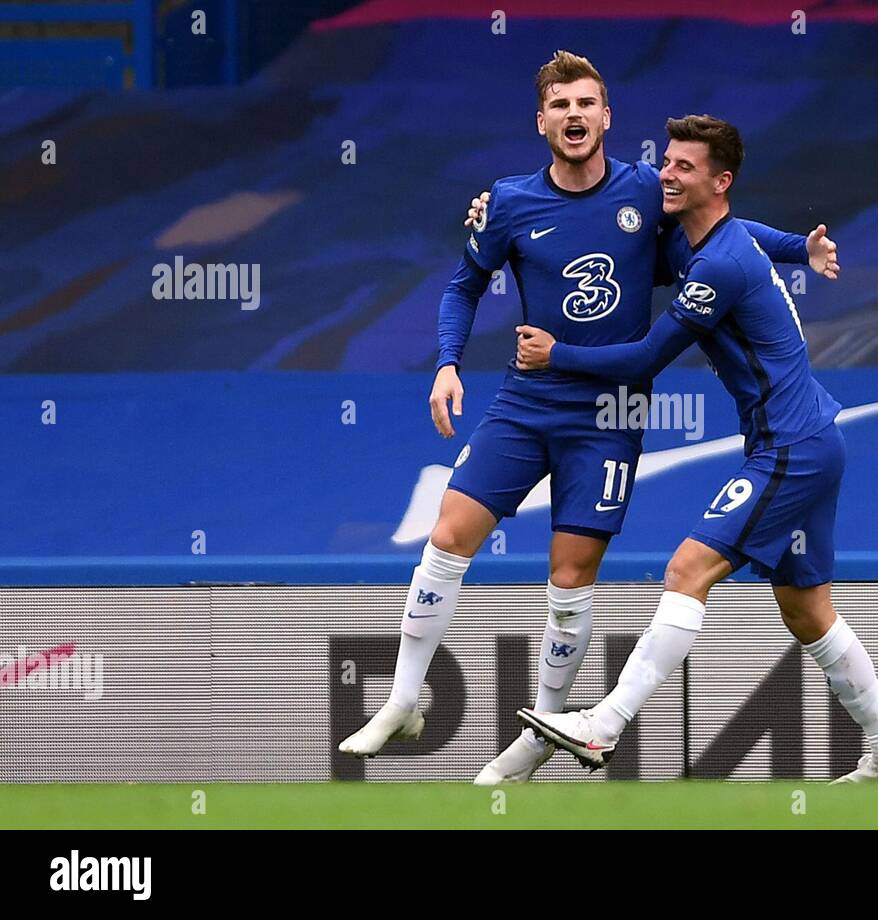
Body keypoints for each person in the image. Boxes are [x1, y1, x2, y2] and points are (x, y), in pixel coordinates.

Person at [337, 52, 838, 786]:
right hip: (526, 400)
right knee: (448, 533)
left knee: (570, 576)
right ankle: (404, 700)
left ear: (607, 118)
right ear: (541, 121)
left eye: (587, 103)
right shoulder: (507, 202)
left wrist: (799, 248)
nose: (574, 115)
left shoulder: (645, 192)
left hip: (608, 413)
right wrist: (447, 363)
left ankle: (540, 737)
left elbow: (718, 227)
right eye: (560, 105)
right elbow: (463, 285)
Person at [515, 115, 878, 783]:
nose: (666, 174)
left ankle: (605, 726)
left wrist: (558, 353)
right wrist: (801, 248)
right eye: (667, 162)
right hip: (812, 440)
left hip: (791, 448)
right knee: (807, 609)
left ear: (720, 180)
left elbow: (648, 355)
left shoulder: (721, 265)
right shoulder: (712, 239)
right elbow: (756, 233)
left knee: (687, 571)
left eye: (683, 167)